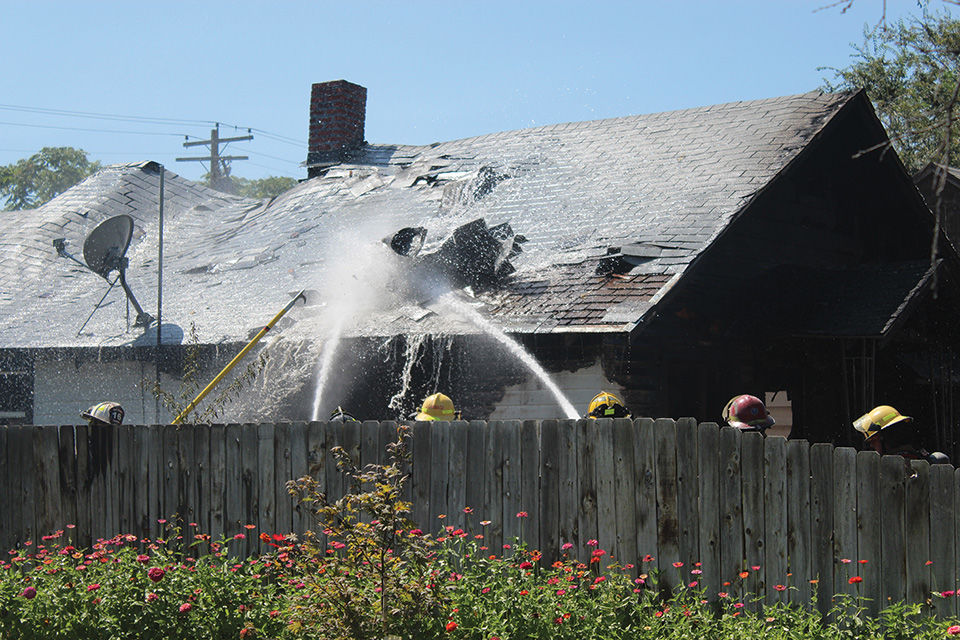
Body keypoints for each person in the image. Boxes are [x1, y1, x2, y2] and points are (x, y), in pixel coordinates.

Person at [853, 405, 950, 464]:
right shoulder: (918, 459)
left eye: (873, 440)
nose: (871, 445)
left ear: (885, 438)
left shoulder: (892, 468)